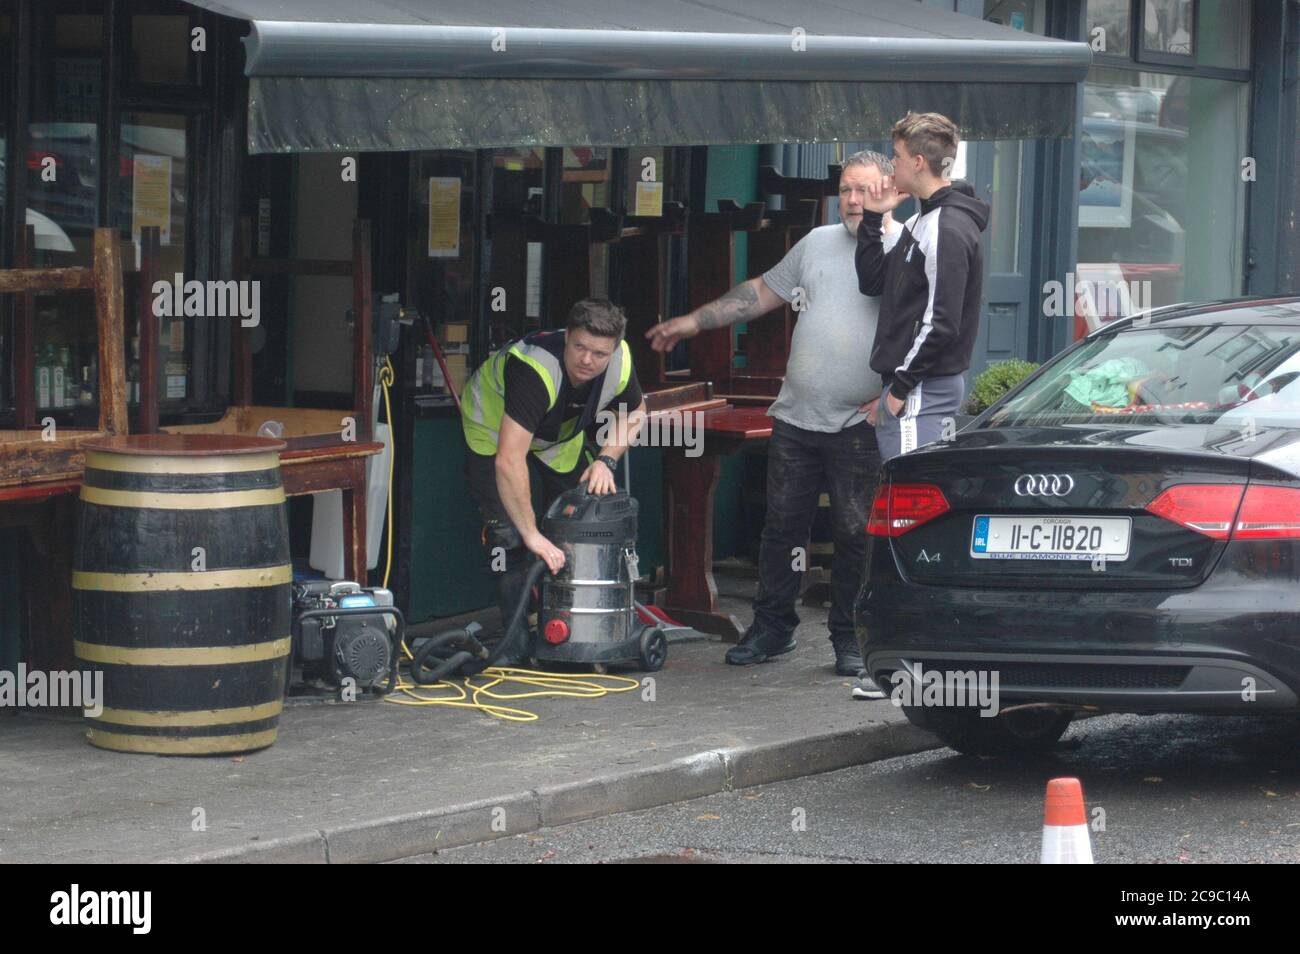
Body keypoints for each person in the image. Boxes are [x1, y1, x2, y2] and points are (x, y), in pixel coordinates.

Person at [647, 152, 901, 684]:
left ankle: (850, 636)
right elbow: (760, 293)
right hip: (795, 415)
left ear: (891, 190)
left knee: (856, 534)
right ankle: (772, 628)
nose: (853, 200)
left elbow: (930, 329)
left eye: (864, 190)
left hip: (859, 423)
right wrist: (695, 322)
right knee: (781, 527)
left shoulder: (905, 247)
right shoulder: (816, 242)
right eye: (845, 190)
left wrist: (895, 394)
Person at [461, 298, 647, 645]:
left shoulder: (621, 359)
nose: (587, 360)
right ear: (566, 337)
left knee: (577, 518)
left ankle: (566, 621)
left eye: (599, 353)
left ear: (614, 349)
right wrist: (531, 534)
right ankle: (515, 640)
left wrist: (606, 460)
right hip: (492, 428)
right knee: (509, 536)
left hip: (556, 434)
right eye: (579, 347)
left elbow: (636, 413)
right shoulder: (534, 369)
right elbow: (509, 459)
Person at [855, 112, 989, 462]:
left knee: (912, 490)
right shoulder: (922, 220)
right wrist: (872, 217)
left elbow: (942, 323)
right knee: (902, 489)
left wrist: (898, 392)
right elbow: (872, 282)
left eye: (896, 156)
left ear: (917, 162)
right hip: (912, 388)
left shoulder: (946, 227)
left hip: (922, 389)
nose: (892, 166)